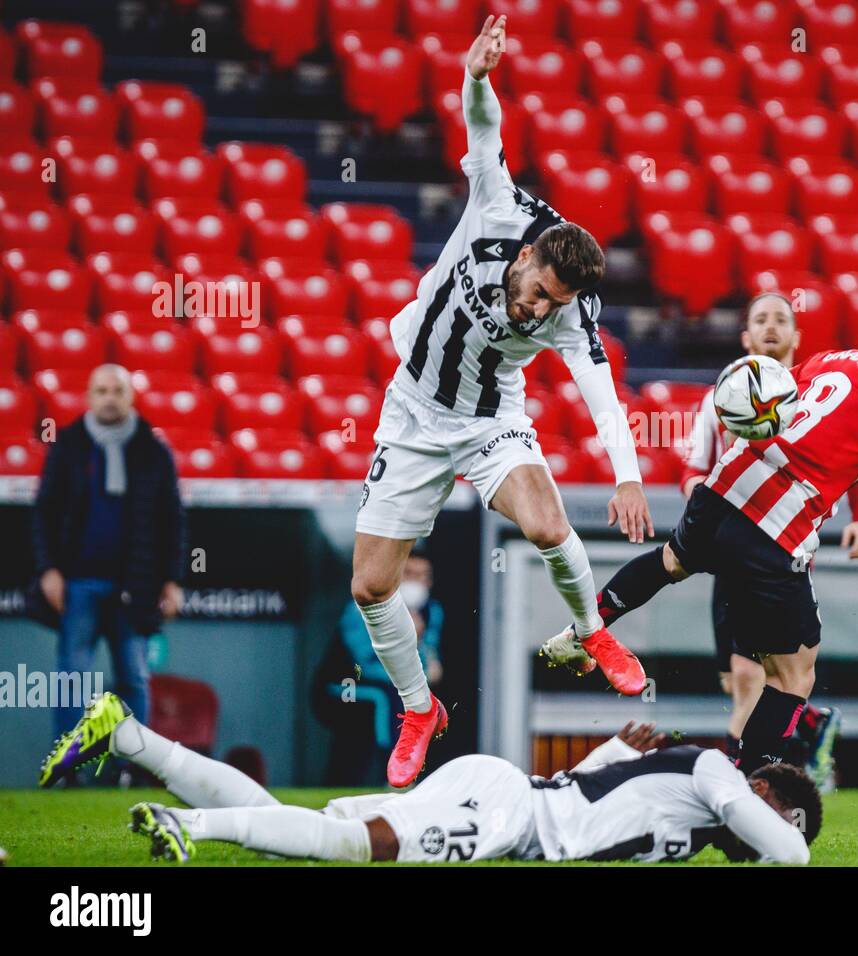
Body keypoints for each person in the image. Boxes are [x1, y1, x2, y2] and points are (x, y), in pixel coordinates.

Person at [544, 285, 858, 774]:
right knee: (795, 674)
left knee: (673, 561)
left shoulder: (841, 359)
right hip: (774, 531)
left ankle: (583, 629)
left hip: (721, 489)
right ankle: (750, 786)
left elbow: (771, 401)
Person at [349, 16, 653, 789]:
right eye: (538, 293)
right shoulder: (497, 211)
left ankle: (590, 632)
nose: (536, 311)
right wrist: (477, 77)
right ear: (525, 256)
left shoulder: (569, 312)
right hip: (413, 411)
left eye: (555, 304)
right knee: (370, 588)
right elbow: (484, 131)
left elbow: (603, 398)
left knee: (550, 523)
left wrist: (626, 477)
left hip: (490, 421)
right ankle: (421, 710)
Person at [41, 694, 818, 865]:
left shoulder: (700, 800)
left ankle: (132, 735)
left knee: (299, 826)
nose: (785, 835)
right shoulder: (719, 772)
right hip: (506, 810)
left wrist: (610, 756)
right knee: (357, 850)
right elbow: (791, 857)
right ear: (766, 796)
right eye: (792, 815)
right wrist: (796, 841)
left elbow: (588, 799)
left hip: (516, 799)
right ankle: (189, 828)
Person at [677, 292, 858, 788]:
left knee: (758, 679)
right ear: (745, 337)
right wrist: (709, 501)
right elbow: (692, 470)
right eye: (760, 319)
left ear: (797, 336)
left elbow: (855, 460)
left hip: (784, 554)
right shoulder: (719, 398)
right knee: (743, 680)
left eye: (781, 319)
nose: (771, 326)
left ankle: (747, 785)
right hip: (731, 556)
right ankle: (799, 740)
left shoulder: (815, 395)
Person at [31, 363, 185, 740]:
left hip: (136, 585)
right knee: (72, 677)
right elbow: (44, 513)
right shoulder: (68, 446)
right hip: (77, 583)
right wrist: (48, 569)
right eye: (101, 391)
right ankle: (68, 769)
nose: (109, 399)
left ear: (130, 397)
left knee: (133, 677)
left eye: (117, 391)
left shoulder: (152, 450)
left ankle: (133, 768)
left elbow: (173, 520)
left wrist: (173, 580)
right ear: (89, 397)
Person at [313, 550, 444, 786]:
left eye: (423, 576)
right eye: (409, 574)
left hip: (392, 685)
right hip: (341, 686)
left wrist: (421, 646)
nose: (416, 582)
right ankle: (395, 766)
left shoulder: (432, 611)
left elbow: (429, 660)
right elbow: (365, 663)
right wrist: (406, 641)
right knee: (390, 692)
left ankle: (418, 770)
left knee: (413, 694)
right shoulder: (365, 606)